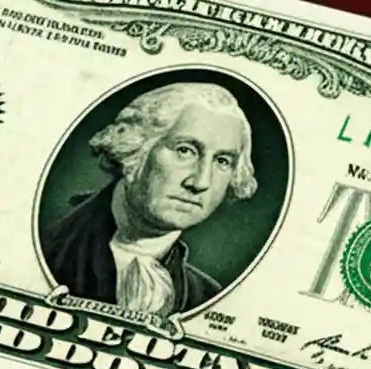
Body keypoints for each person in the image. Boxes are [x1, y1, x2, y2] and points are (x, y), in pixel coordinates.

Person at [40, 81, 258, 317]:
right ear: (136, 149)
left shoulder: (205, 297)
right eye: (185, 150)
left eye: (222, 161)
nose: (200, 182)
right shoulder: (46, 247)